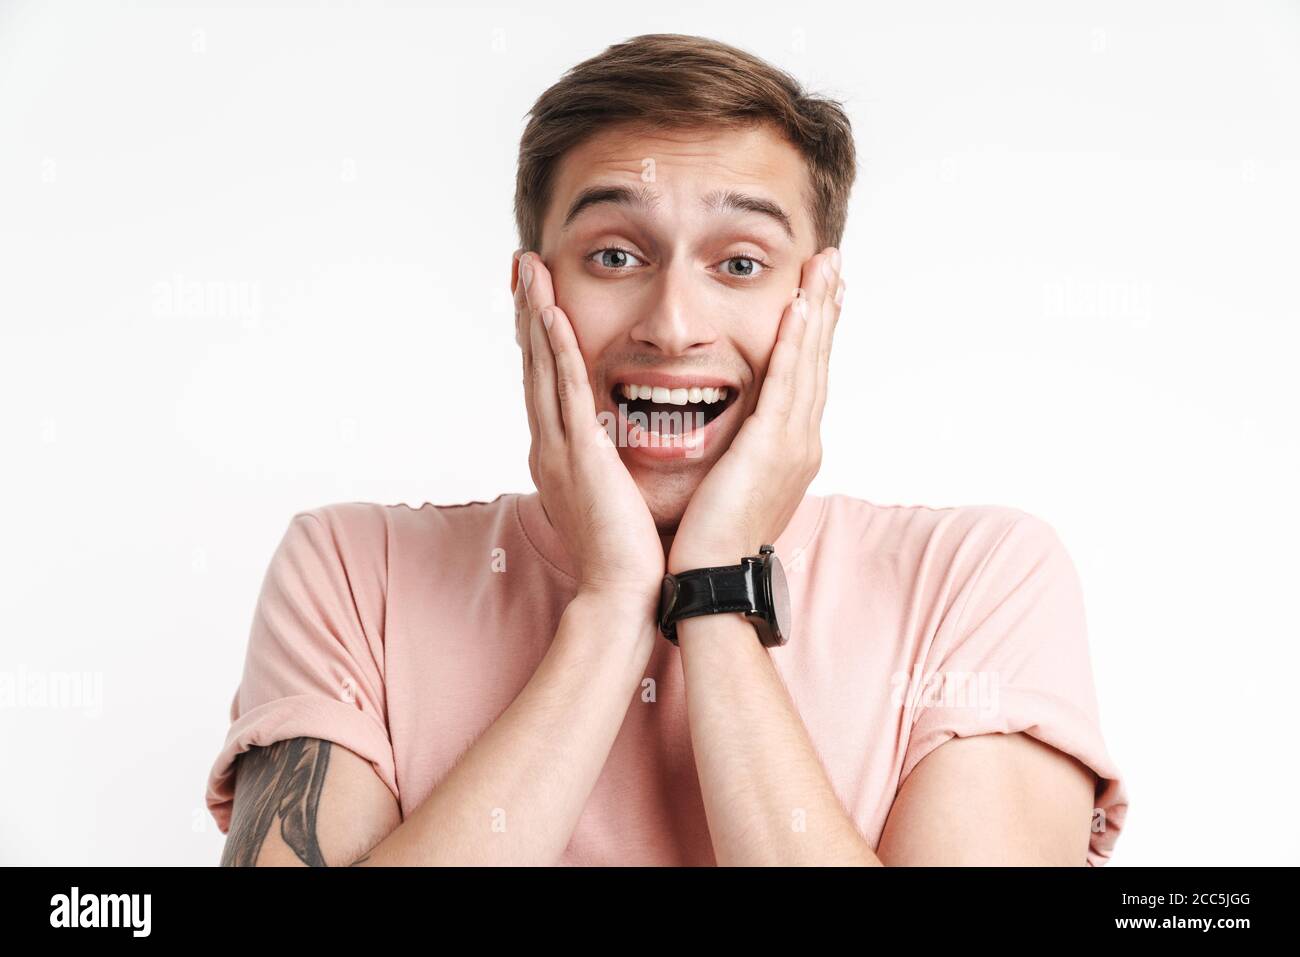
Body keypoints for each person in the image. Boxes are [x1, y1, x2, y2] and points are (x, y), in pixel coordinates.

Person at [206, 33, 1127, 866]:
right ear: (533, 290)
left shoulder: (977, 582)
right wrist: (610, 606)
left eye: (739, 263)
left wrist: (718, 587)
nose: (674, 325)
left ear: (819, 299)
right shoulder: (353, 573)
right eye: (614, 255)